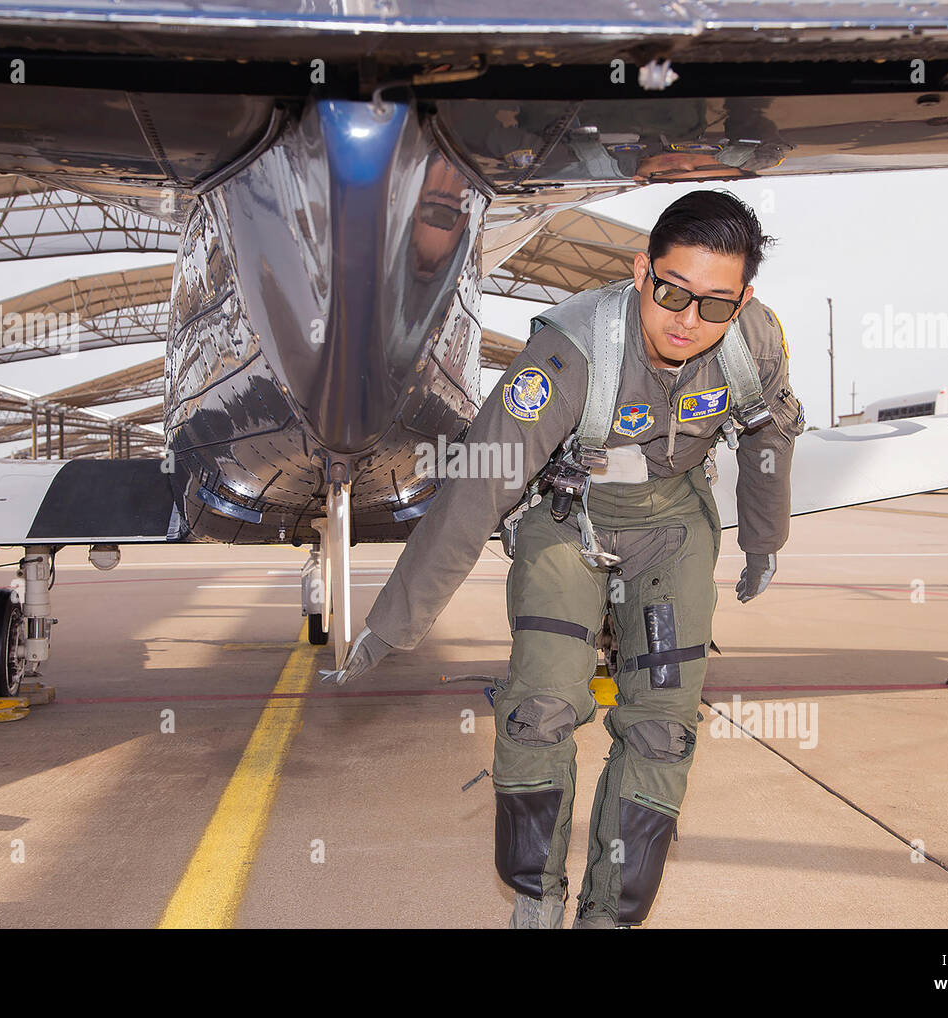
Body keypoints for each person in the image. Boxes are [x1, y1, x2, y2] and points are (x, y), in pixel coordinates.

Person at [320, 190, 806, 928]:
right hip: (568, 522)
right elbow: (479, 488)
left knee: (661, 726)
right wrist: (393, 624)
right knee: (541, 709)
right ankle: (535, 896)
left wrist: (764, 539)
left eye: (714, 305)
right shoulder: (573, 349)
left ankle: (611, 913)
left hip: (673, 525)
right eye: (672, 292)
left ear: (742, 303)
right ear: (643, 272)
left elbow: (770, 434)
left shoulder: (755, 342)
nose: (687, 321)